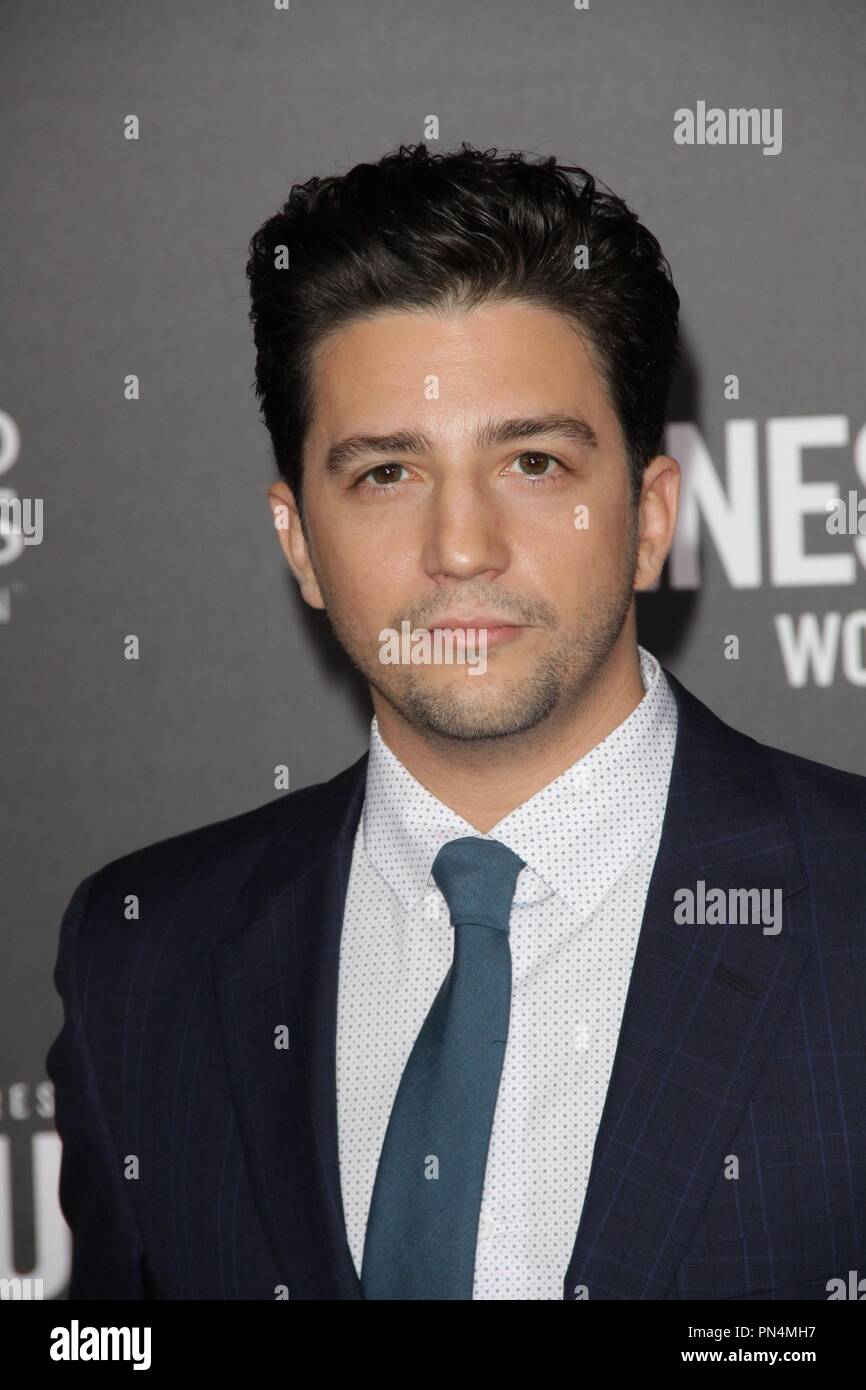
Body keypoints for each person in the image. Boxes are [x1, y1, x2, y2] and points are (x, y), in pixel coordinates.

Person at [46, 143, 866, 1300]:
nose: (461, 549)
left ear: (647, 516)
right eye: (386, 473)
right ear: (300, 543)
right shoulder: (143, 956)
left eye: (532, 461)